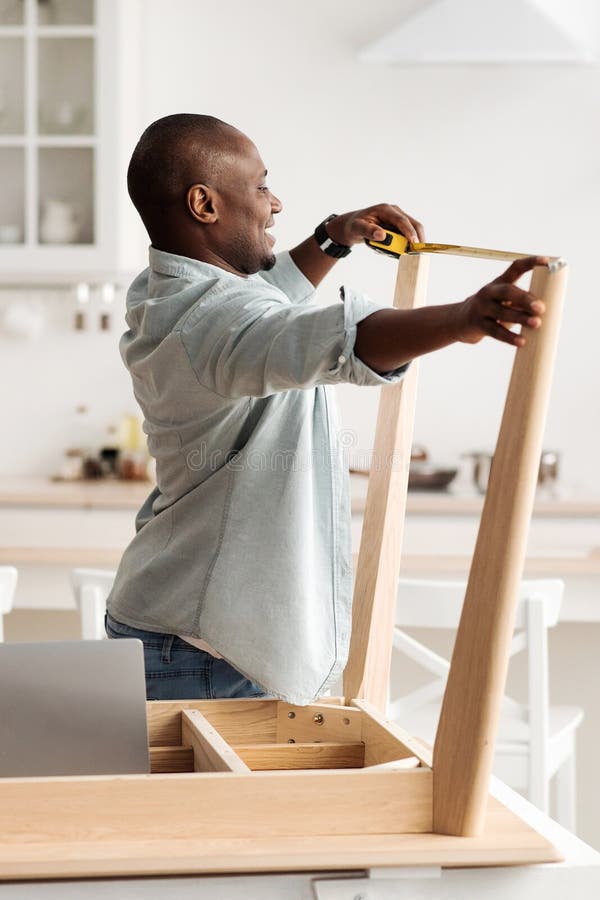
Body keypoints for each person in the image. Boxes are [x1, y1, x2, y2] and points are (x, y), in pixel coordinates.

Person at [106, 113, 547, 705]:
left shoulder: (170, 290)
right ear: (204, 205)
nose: (275, 202)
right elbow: (326, 339)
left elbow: (265, 306)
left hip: (181, 630)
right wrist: (462, 318)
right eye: (261, 186)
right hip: (200, 647)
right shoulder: (209, 322)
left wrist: (334, 238)